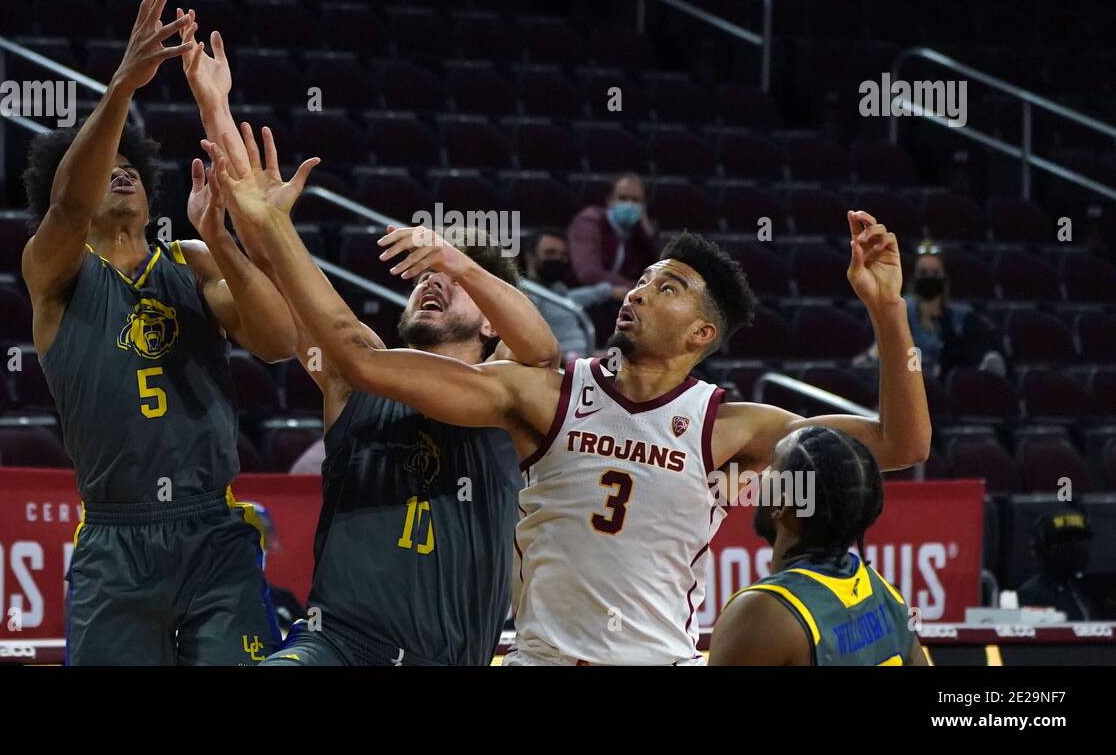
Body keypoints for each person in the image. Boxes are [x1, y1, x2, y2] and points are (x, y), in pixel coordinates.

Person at [206, 126, 932, 666]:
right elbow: (364, 363)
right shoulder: (548, 395)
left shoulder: (727, 427)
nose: (641, 292)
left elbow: (901, 446)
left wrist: (889, 310)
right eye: (643, 279)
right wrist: (269, 228)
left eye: (668, 289)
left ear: (701, 333)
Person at [184, 27, 561, 666]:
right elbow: (277, 251)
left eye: (458, 274)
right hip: (335, 646)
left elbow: (543, 350)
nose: (433, 280)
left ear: (491, 320)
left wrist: (458, 259)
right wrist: (216, 107)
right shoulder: (354, 368)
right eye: (428, 272)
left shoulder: (511, 395)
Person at [20, 0, 296, 665]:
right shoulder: (55, 273)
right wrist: (123, 86)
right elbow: (66, 209)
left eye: (130, 169)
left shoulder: (194, 262)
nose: (120, 174)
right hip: (116, 537)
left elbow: (281, 342)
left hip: (212, 529)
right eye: (102, 169)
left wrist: (224, 240)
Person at [708, 427, 927, 666]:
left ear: (783, 503)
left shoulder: (763, 614)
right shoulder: (885, 595)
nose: (760, 477)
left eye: (772, 468)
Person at [853, 243, 1002, 379]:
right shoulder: (902, 308)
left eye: (935, 274)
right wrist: (871, 357)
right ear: (915, 278)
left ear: (944, 278)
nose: (930, 278)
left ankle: (982, 374)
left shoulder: (959, 317)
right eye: (924, 274)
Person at [524, 228, 619, 357]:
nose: (557, 259)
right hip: (566, 365)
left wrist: (608, 291)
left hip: (586, 356)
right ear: (530, 256)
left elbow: (570, 299)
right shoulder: (527, 294)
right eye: (550, 253)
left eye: (563, 255)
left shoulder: (556, 289)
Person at [567, 173, 659, 291]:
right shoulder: (589, 222)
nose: (629, 205)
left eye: (635, 200)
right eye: (623, 198)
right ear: (610, 200)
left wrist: (649, 234)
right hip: (578, 297)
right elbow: (589, 273)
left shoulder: (639, 231)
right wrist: (637, 288)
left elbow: (659, 271)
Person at [1016, 510, 1098, 621]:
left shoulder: (1082, 589)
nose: (1074, 548)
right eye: (1065, 542)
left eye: (1078, 541)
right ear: (1043, 550)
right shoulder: (1032, 594)